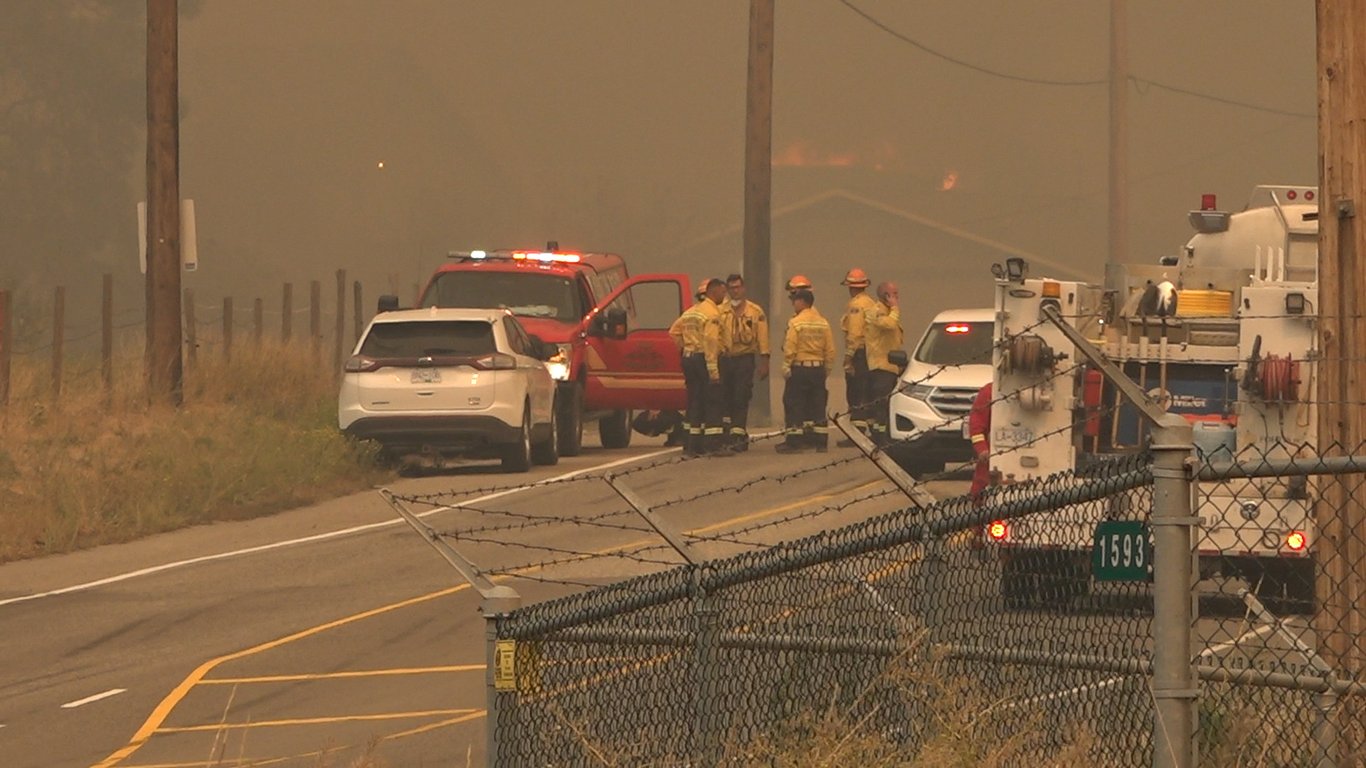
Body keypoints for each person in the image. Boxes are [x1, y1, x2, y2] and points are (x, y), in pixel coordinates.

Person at [668, 278, 732, 457]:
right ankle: (713, 444)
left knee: (694, 400)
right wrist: (713, 370)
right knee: (713, 401)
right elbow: (711, 342)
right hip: (704, 359)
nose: (724, 296)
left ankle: (691, 443)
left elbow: (673, 331)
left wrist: (685, 347)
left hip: (689, 359)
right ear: (714, 291)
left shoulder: (691, 312)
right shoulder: (712, 314)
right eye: (722, 292)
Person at [777, 288, 836, 453]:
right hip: (818, 369)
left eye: (795, 300)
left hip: (800, 368)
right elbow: (830, 349)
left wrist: (786, 365)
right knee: (818, 404)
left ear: (803, 302)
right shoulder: (823, 322)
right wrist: (827, 369)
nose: (793, 303)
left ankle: (795, 442)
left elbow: (790, 347)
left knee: (794, 403)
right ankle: (821, 442)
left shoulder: (796, 322)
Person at [718, 273, 769, 452]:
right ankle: (725, 435)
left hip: (745, 359)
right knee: (725, 397)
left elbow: (763, 338)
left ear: (744, 288)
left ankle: (738, 435)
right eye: (731, 288)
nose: (735, 291)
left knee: (741, 396)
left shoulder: (755, 311)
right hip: (725, 360)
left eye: (738, 287)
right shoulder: (720, 310)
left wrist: (765, 361)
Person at [838, 267, 878, 446]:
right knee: (868, 392)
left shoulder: (856, 306)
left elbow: (854, 333)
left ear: (850, 287)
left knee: (855, 393)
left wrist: (848, 357)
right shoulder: (872, 303)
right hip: (872, 354)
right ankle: (872, 431)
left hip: (859, 354)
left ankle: (856, 434)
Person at [863, 281, 904, 447]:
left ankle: (880, 434)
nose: (897, 297)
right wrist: (895, 308)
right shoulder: (877, 311)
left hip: (891, 366)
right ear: (885, 295)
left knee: (885, 404)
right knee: (882, 404)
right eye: (894, 294)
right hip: (881, 366)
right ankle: (879, 438)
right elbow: (889, 325)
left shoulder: (887, 312)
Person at [968, 382, 994, 501]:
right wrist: (982, 448)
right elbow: (976, 426)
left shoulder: (991, 390)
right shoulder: (990, 391)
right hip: (992, 457)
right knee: (980, 497)